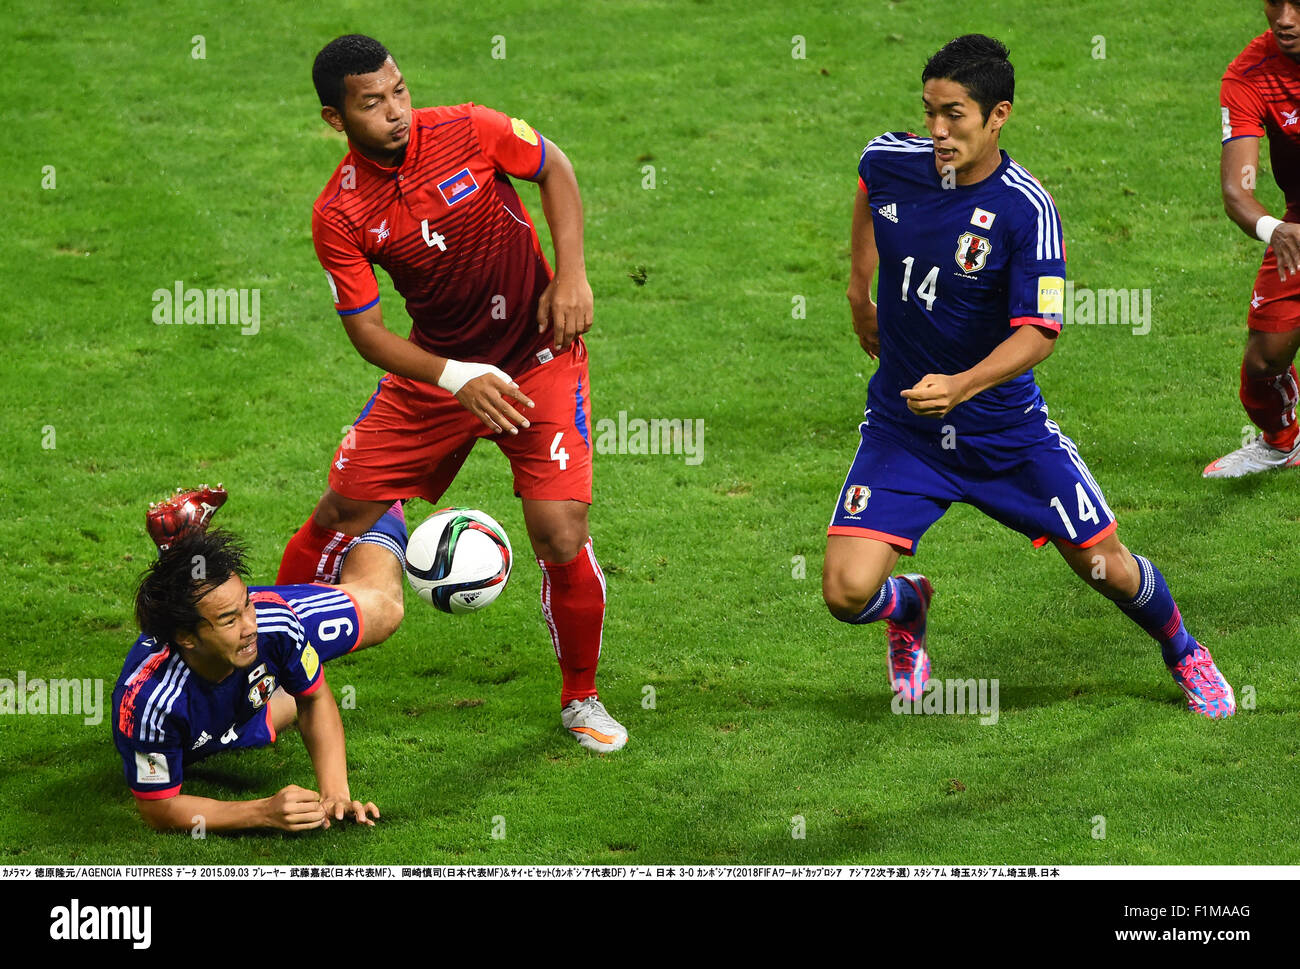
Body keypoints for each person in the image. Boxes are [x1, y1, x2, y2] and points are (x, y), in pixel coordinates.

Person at [821, 35, 1235, 718]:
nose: (936, 132)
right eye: (928, 112)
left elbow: (1039, 333)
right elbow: (869, 188)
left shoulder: (1025, 210)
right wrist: (858, 290)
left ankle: (1184, 648)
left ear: (998, 115)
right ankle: (910, 604)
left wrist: (959, 386)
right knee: (844, 591)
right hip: (907, 428)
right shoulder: (893, 159)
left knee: (1106, 563)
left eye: (954, 114)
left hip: (1004, 431)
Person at [275, 34, 625, 752]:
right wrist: (454, 377)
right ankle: (273, 671)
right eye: (372, 103)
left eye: (399, 90)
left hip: (536, 357)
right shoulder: (338, 213)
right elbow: (368, 333)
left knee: (560, 532)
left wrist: (571, 273)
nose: (396, 111)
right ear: (335, 121)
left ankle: (581, 696)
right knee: (342, 509)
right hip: (437, 373)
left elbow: (553, 165)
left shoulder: (469, 128)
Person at [111, 485, 407, 832]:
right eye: (229, 620)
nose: (249, 626)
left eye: (246, 604)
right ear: (186, 638)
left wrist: (335, 794)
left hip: (243, 673)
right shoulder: (150, 702)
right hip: (224, 720)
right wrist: (264, 812)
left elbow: (314, 696)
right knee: (283, 704)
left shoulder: (271, 621)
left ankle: (385, 484)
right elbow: (159, 808)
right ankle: (185, 542)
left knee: (382, 608)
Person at [1205, 0, 1300, 477]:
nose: (1283, 18)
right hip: (1298, 229)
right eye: (1274, 3)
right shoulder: (1250, 74)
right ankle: (1283, 443)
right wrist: (1275, 230)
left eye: (1298, 5)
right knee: (1264, 363)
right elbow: (1236, 193)